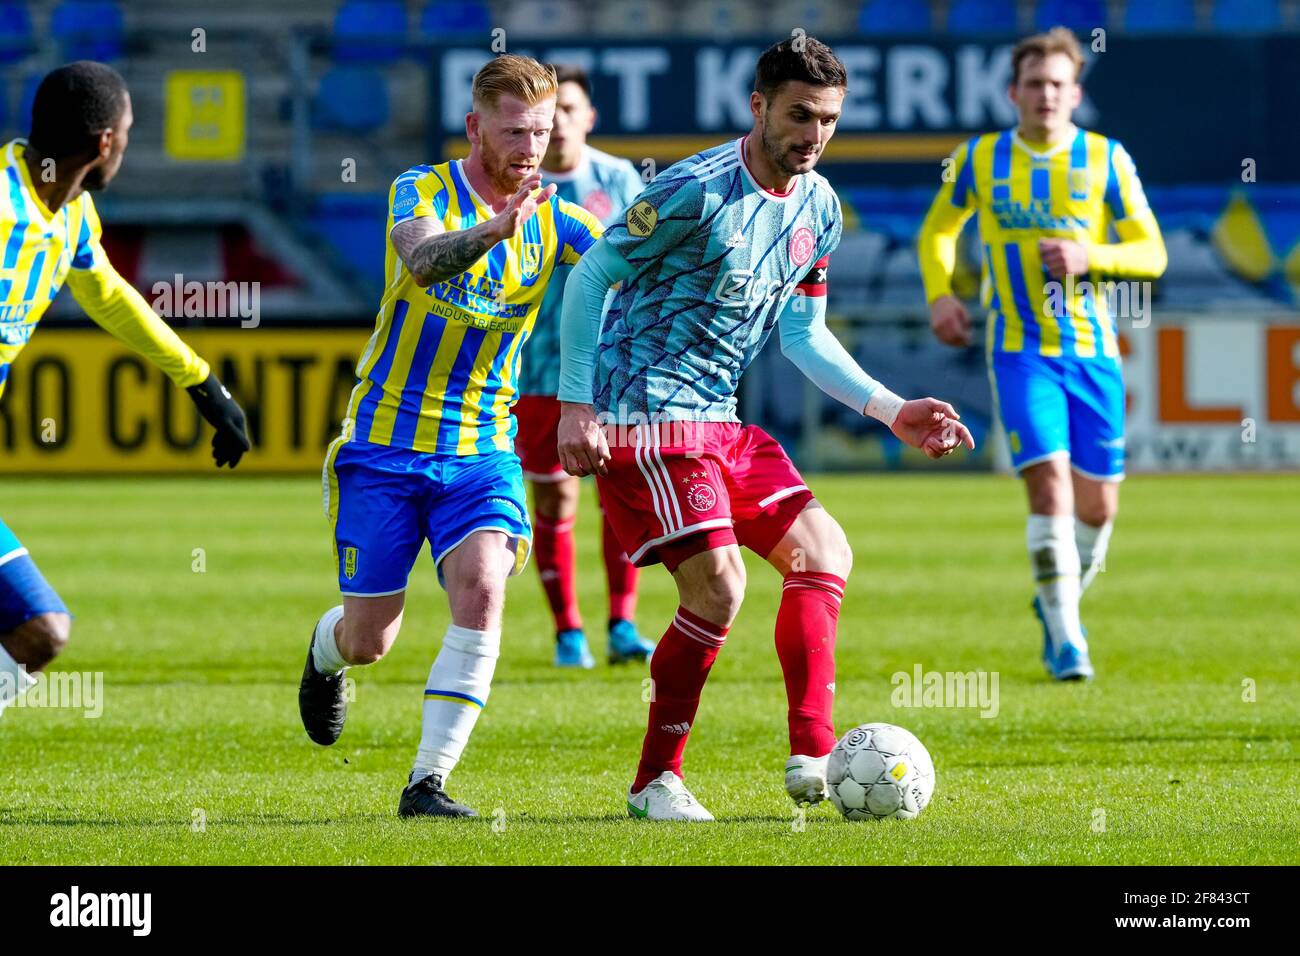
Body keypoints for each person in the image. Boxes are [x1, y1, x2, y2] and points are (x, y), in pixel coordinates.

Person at [555, 37, 973, 821]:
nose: (814, 134)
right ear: (758, 107)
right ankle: (654, 783)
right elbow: (593, 274)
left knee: (825, 551)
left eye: (829, 120)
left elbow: (803, 335)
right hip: (644, 413)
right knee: (721, 586)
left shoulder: (819, 207)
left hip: (721, 421)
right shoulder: (690, 189)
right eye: (799, 115)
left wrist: (891, 411)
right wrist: (578, 405)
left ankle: (815, 753)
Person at [297, 55, 604, 818]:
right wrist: (494, 229)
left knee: (483, 585)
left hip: (481, 449)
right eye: (513, 131)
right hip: (384, 445)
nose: (531, 146)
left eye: (540, 130)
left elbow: (621, 265)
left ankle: (426, 783)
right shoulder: (421, 188)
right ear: (476, 127)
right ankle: (325, 651)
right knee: (372, 639)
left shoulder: (561, 219)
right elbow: (425, 260)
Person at [0, 62, 250, 719]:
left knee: (37, 631)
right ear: (105, 141)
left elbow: (110, 297)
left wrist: (201, 384)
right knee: (41, 628)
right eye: (131, 133)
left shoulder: (71, 214)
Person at [917, 28, 1167, 681]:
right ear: (1013, 92)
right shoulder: (979, 159)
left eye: (1058, 84)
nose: (1046, 95)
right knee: (1048, 482)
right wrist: (943, 294)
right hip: (1019, 346)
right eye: (1034, 84)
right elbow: (939, 229)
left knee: (1099, 507)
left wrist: (1095, 257)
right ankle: (1066, 640)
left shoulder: (1107, 159)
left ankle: (1055, 602)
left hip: (1094, 351)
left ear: (1075, 93)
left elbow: (1152, 253)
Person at [516, 64, 654, 669]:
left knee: (620, 498)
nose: (562, 123)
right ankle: (567, 630)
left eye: (571, 110)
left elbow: (646, 267)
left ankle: (622, 625)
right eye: (552, 115)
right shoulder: (519, 189)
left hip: (611, 373)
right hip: (535, 370)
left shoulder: (620, 180)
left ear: (588, 118)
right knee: (554, 504)